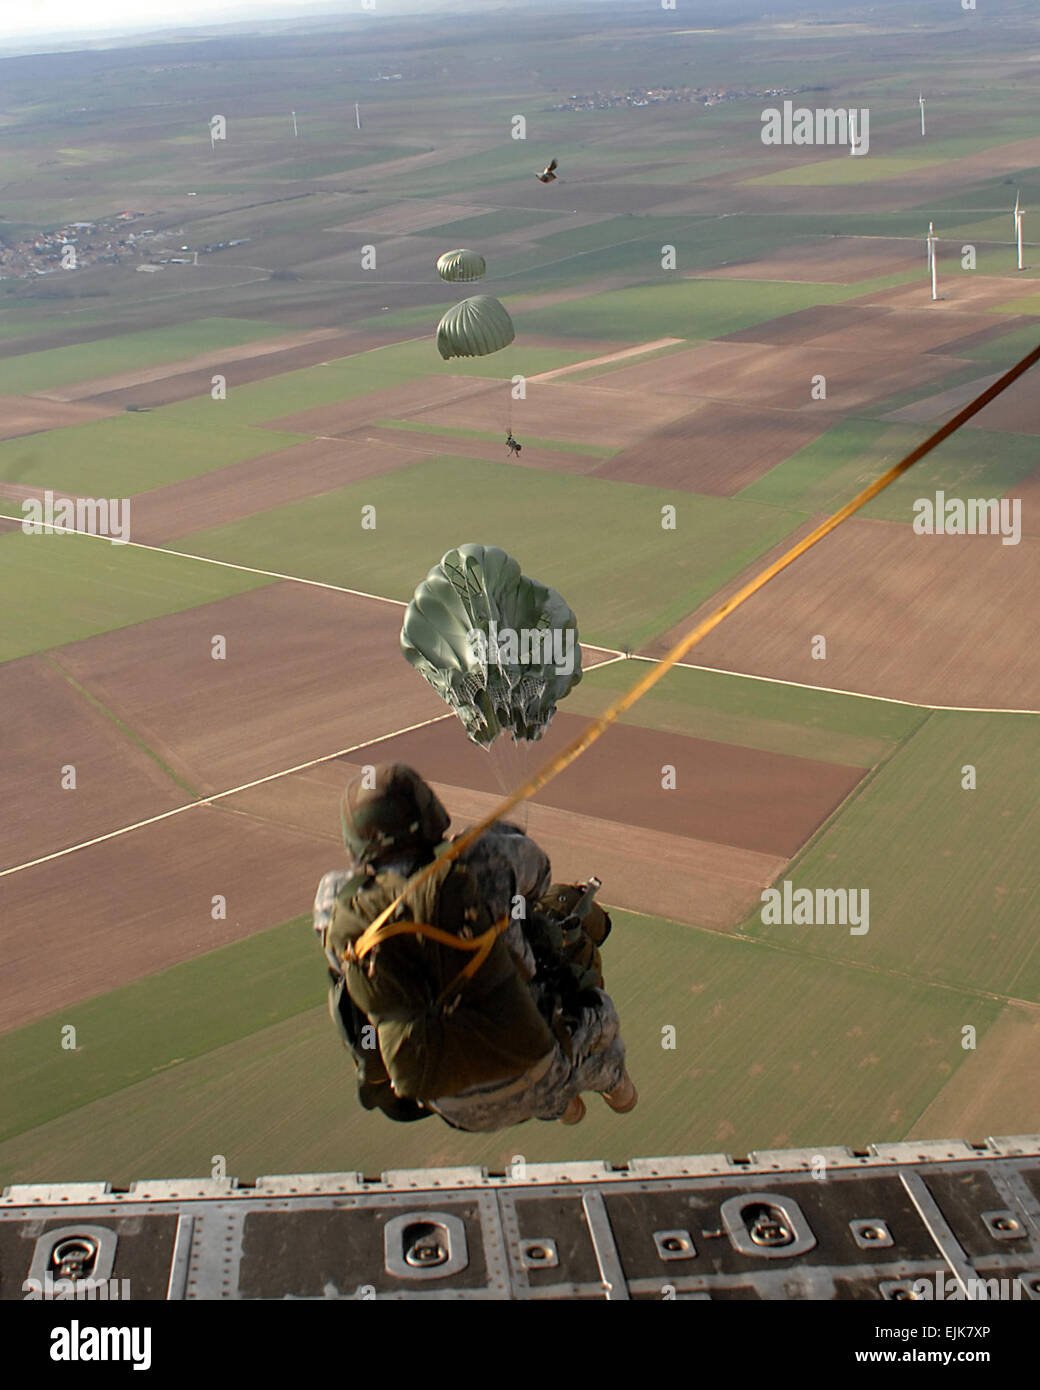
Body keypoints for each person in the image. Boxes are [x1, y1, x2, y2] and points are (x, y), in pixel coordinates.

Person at [312, 763, 635, 1131]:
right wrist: (482, 848)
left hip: (444, 1102)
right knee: (593, 999)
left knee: (347, 985)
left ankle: (563, 1105)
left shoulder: (337, 904)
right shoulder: (486, 856)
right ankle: (614, 1085)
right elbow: (540, 875)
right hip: (535, 1074)